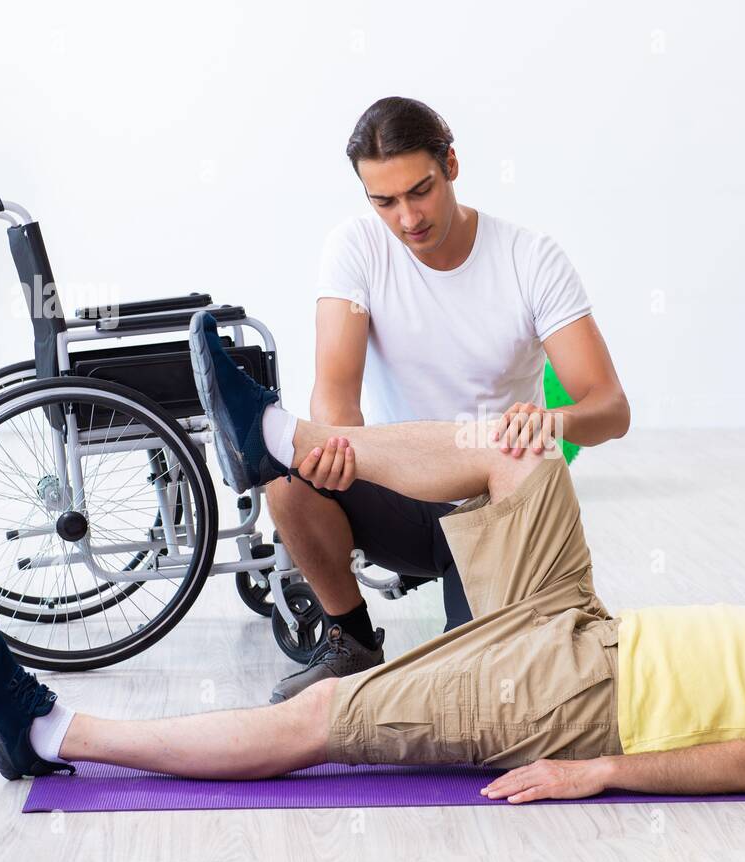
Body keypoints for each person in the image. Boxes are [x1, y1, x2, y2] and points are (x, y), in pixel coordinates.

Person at [0, 313, 745, 802]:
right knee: (521, 444)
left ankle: (52, 734)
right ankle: (278, 441)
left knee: (326, 718)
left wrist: (602, 770)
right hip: (588, 627)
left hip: (575, 694)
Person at [260, 96, 629, 702]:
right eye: (385, 201)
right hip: (398, 490)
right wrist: (330, 452)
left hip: (491, 506)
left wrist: (550, 420)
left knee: (477, 699)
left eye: (421, 190)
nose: (408, 218)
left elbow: (611, 410)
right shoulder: (355, 248)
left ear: (451, 165)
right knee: (289, 480)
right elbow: (336, 396)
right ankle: (351, 641)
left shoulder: (530, 258)